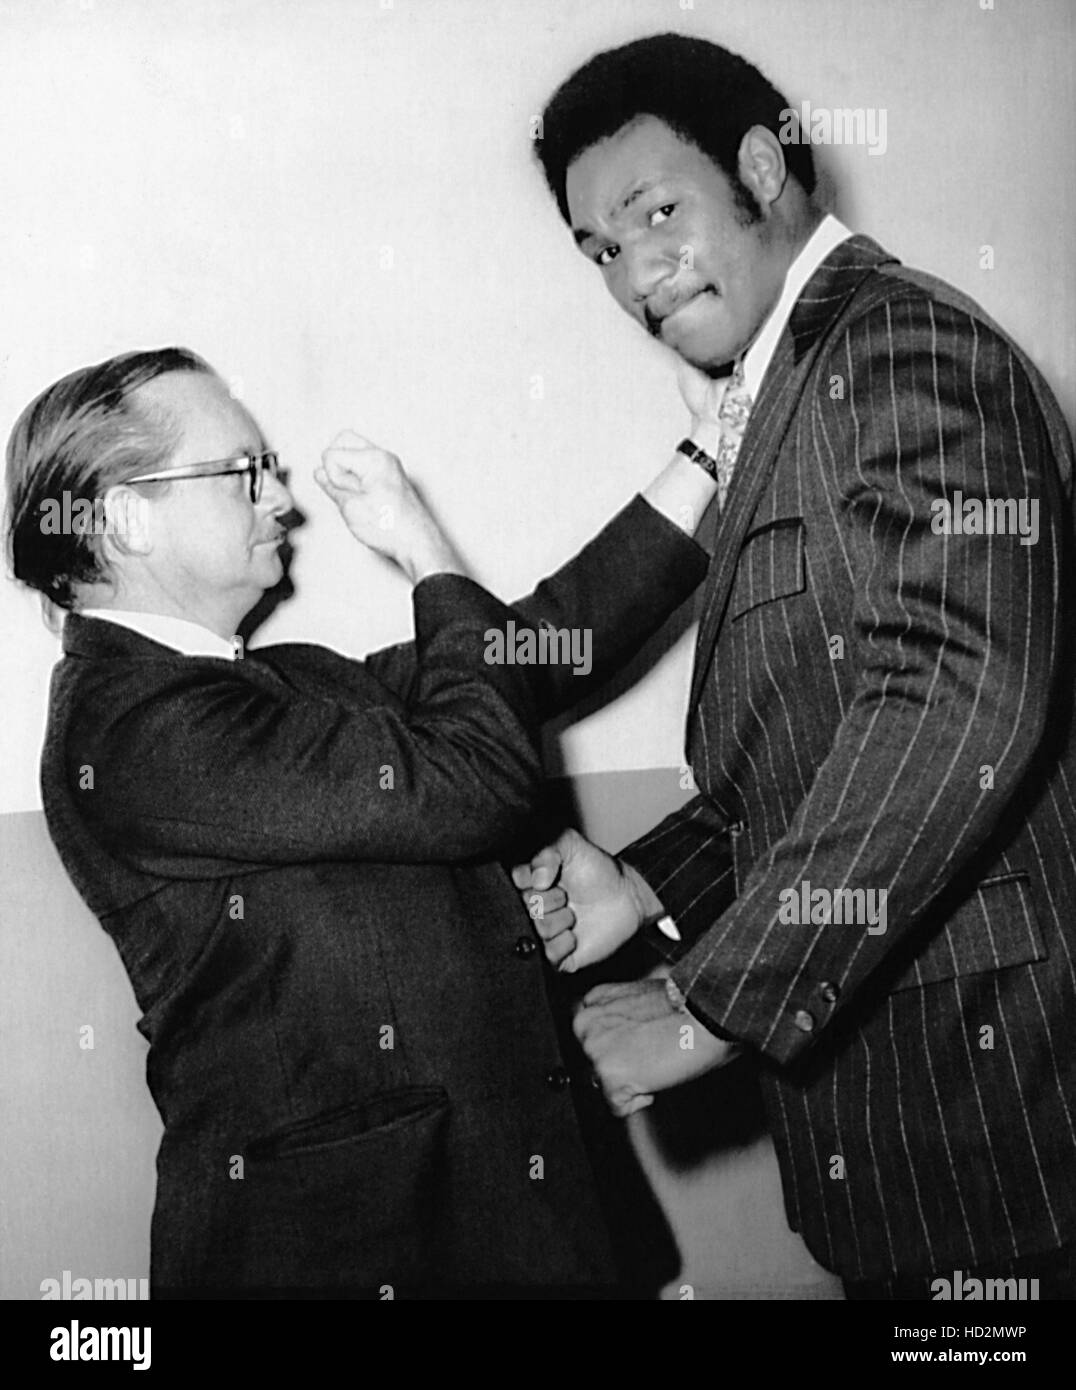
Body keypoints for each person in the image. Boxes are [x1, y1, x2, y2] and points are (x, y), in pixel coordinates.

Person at [515, 32, 1076, 1299]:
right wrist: (646, 891)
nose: (633, 276)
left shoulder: (901, 351)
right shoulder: (795, 386)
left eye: (654, 214)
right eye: (598, 251)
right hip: (909, 1119)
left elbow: (956, 698)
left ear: (761, 168)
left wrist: (704, 1004)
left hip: (996, 1119)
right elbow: (828, 742)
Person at [6, 345, 722, 1297]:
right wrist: (425, 548)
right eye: (241, 473)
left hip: (491, 1228)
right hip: (353, 1252)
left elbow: (533, 651)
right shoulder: (132, 727)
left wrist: (707, 452)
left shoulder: (279, 684)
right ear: (128, 516)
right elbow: (479, 778)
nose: (281, 500)